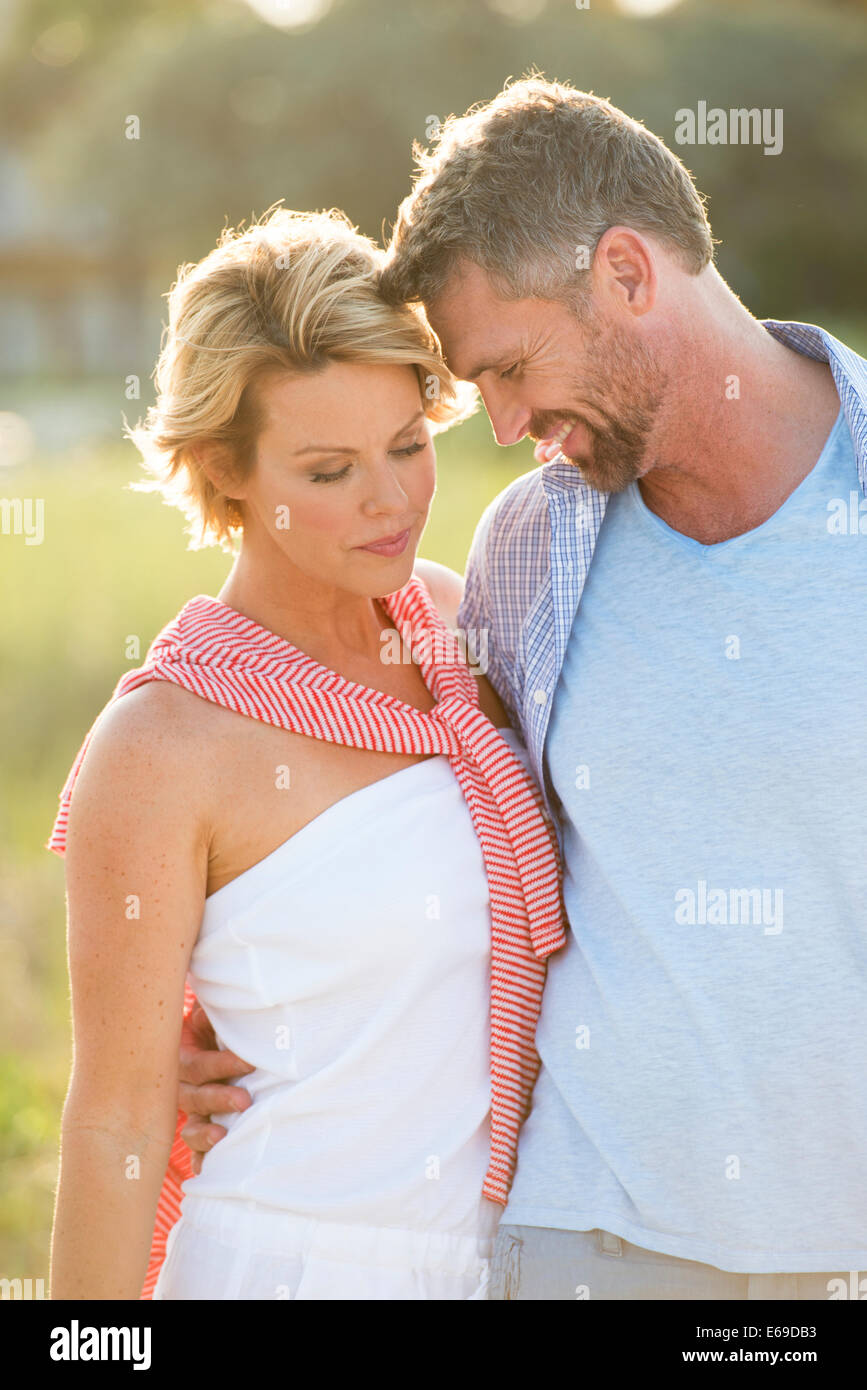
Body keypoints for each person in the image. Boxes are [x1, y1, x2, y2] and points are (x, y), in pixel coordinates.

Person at [185, 75, 867, 1301]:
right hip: (589, 1237)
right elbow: (461, 839)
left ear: (625, 274)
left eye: (507, 366)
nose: (498, 425)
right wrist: (233, 1024)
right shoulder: (530, 550)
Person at [46, 206, 565, 1300]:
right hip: (287, 1266)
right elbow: (116, 1118)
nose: (392, 501)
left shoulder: (458, 635)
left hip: (501, 1259)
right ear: (221, 469)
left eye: (410, 445)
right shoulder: (160, 747)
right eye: (329, 470)